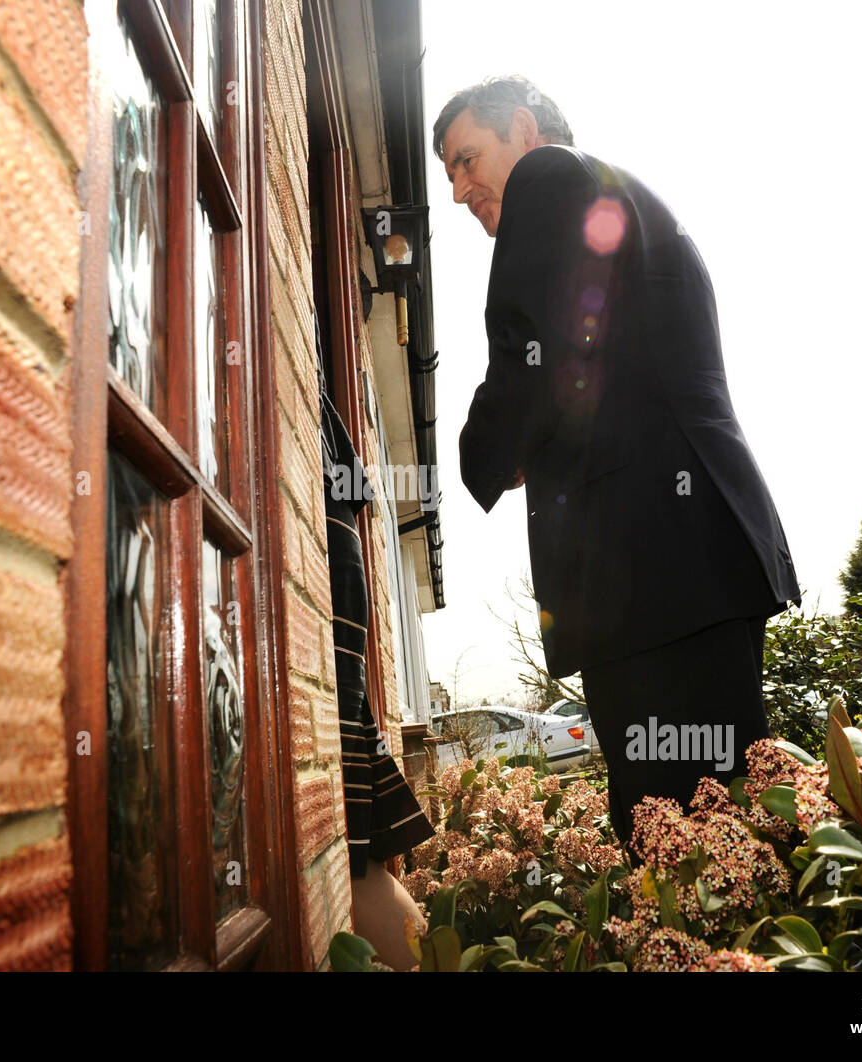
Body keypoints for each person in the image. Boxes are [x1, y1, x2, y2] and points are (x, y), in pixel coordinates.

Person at [433, 76, 802, 847]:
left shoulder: (551, 174)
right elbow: (589, 353)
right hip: (697, 563)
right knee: (730, 831)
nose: (461, 188)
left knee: (673, 843)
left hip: (652, 576)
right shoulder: (623, 201)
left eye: (468, 159)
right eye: (449, 174)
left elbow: (529, 346)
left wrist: (486, 455)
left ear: (526, 130)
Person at [317, 334, 433, 969]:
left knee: (355, 852)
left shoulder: (323, 414)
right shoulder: (324, 420)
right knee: (356, 854)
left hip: (339, 634)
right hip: (339, 625)